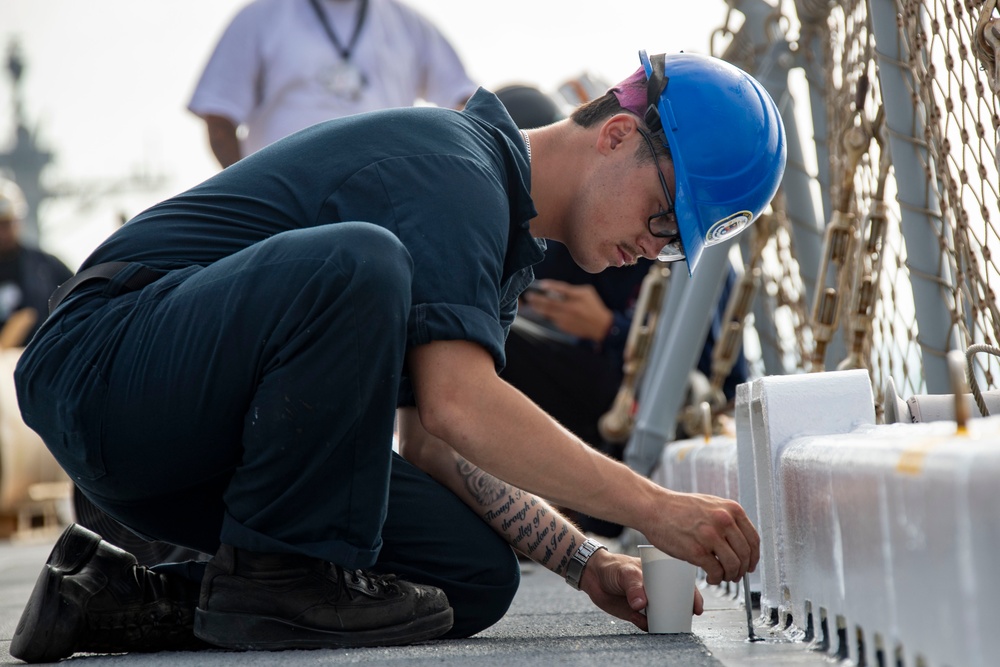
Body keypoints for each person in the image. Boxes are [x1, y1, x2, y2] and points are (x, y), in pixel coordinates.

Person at [10, 50, 786, 662]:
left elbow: (436, 441)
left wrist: (587, 561)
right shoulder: (459, 170)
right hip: (104, 362)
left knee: (470, 577)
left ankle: (119, 593)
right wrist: (655, 508)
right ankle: (281, 576)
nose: (656, 249)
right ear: (617, 134)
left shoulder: (501, 241)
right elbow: (460, 402)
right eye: (664, 217)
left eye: (678, 244)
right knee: (360, 263)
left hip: (193, 437)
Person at [495, 85, 749, 538]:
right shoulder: (545, 236)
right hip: (577, 422)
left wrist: (609, 329)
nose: (654, 244)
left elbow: (721, 380)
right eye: (656, 216)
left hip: (639, 416)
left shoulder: (695, 261)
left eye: (669, 224)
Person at [188, 0, 477, 168]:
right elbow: (219, 119)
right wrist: (250, 193)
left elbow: (466, 102)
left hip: (385, 194)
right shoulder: (260, 17)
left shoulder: (408, 23)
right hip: (284, 202)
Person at [0, 178, 72, 349]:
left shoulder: (45, 267)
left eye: (7, 224)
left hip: (39, 362)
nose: (3, 232)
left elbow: (81, 296)